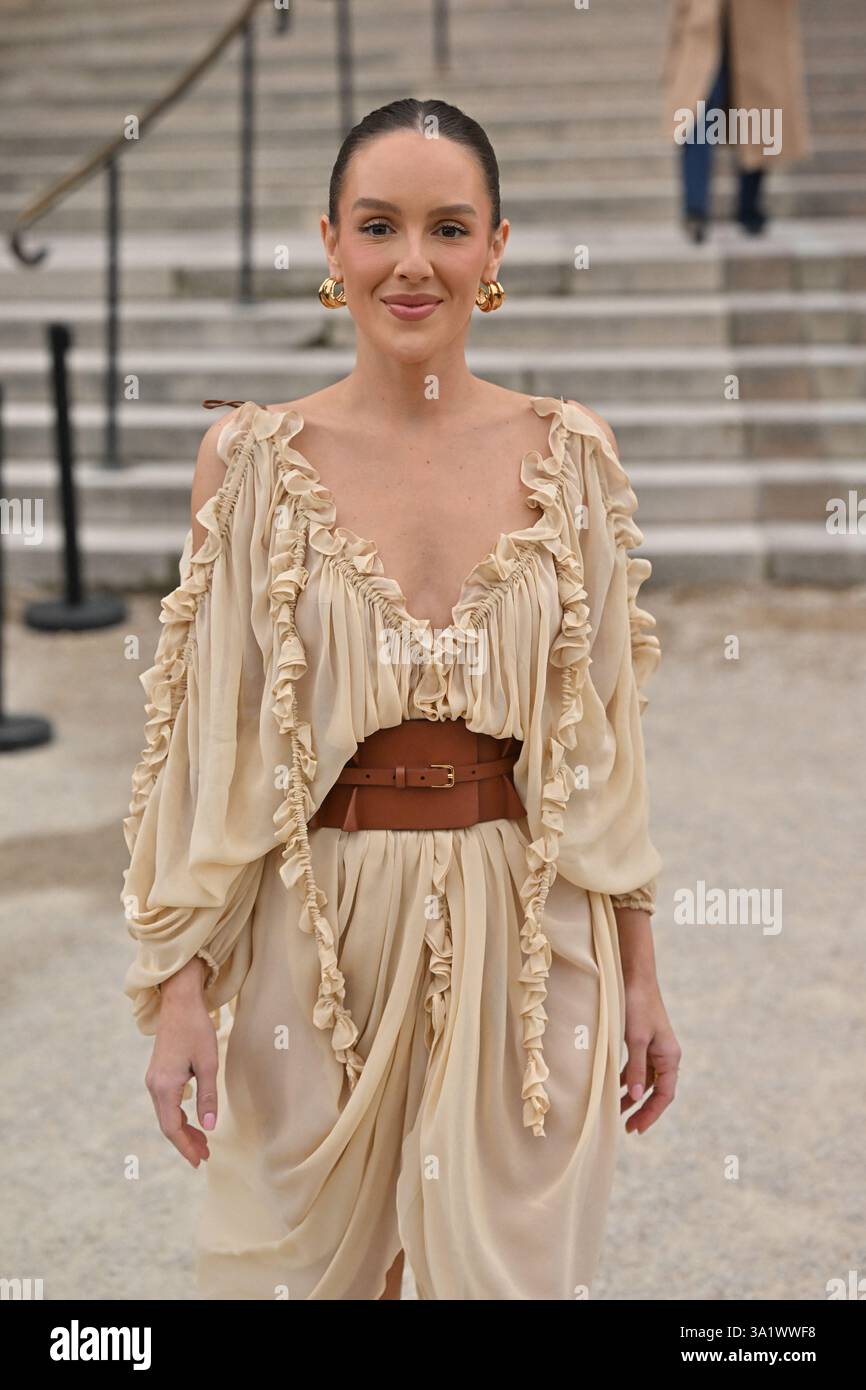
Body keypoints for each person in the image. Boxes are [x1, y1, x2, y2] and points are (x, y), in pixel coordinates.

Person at [119, 97, 681, 1301]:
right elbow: (202, 744)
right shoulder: (252, 460)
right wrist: (180, 992)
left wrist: (640, 974)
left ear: (495, 249)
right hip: (312, 934)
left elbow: (597, 746)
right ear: (330, 244)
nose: (411, 263)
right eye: (378, 226)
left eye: (448, 228)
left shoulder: (571, 453)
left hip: (527, 940)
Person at [662, 0, 812, 241]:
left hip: (760, 23)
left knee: (758, 113)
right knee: (698, 109)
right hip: (706, 21)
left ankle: (748, 206)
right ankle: (695, 208)